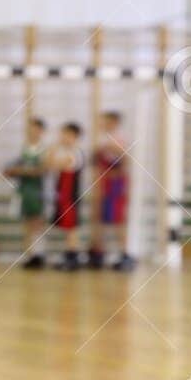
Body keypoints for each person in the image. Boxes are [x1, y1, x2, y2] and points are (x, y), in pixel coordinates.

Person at [91, 110, 136, 271]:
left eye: (107, 122)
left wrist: (111, 149)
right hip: (103, 184)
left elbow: (124, 164)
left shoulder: (119, 140)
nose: (104, 125)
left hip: (116, 186)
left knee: (118, 221)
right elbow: (97, 165)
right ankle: (98, 252)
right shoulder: (102, 141)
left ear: (115, 123)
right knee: (99, 219)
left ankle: (125, 254)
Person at [5, 117, 49, 269]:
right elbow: (11, 168)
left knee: (37, 222)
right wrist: (14, 171)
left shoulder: (45, 150)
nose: (32, 131)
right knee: (28, 223)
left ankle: (39, 254)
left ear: (41, 131)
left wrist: (21, 170)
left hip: (38, 190)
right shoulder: (24, 149)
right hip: (25, 190)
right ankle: (31, 254)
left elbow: (41, 170)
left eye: (36, 128)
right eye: (30, 128)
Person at [49, 121, 85, 271]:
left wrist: (55, 147)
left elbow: (52, 164)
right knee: (68, 227)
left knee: (71, 228)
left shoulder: (74, 153)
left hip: (70, 196)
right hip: (64, 195)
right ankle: (70, 256)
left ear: (73, 136)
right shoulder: (68, 152)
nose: (62, 137)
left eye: (65, 134)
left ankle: (73, 258)